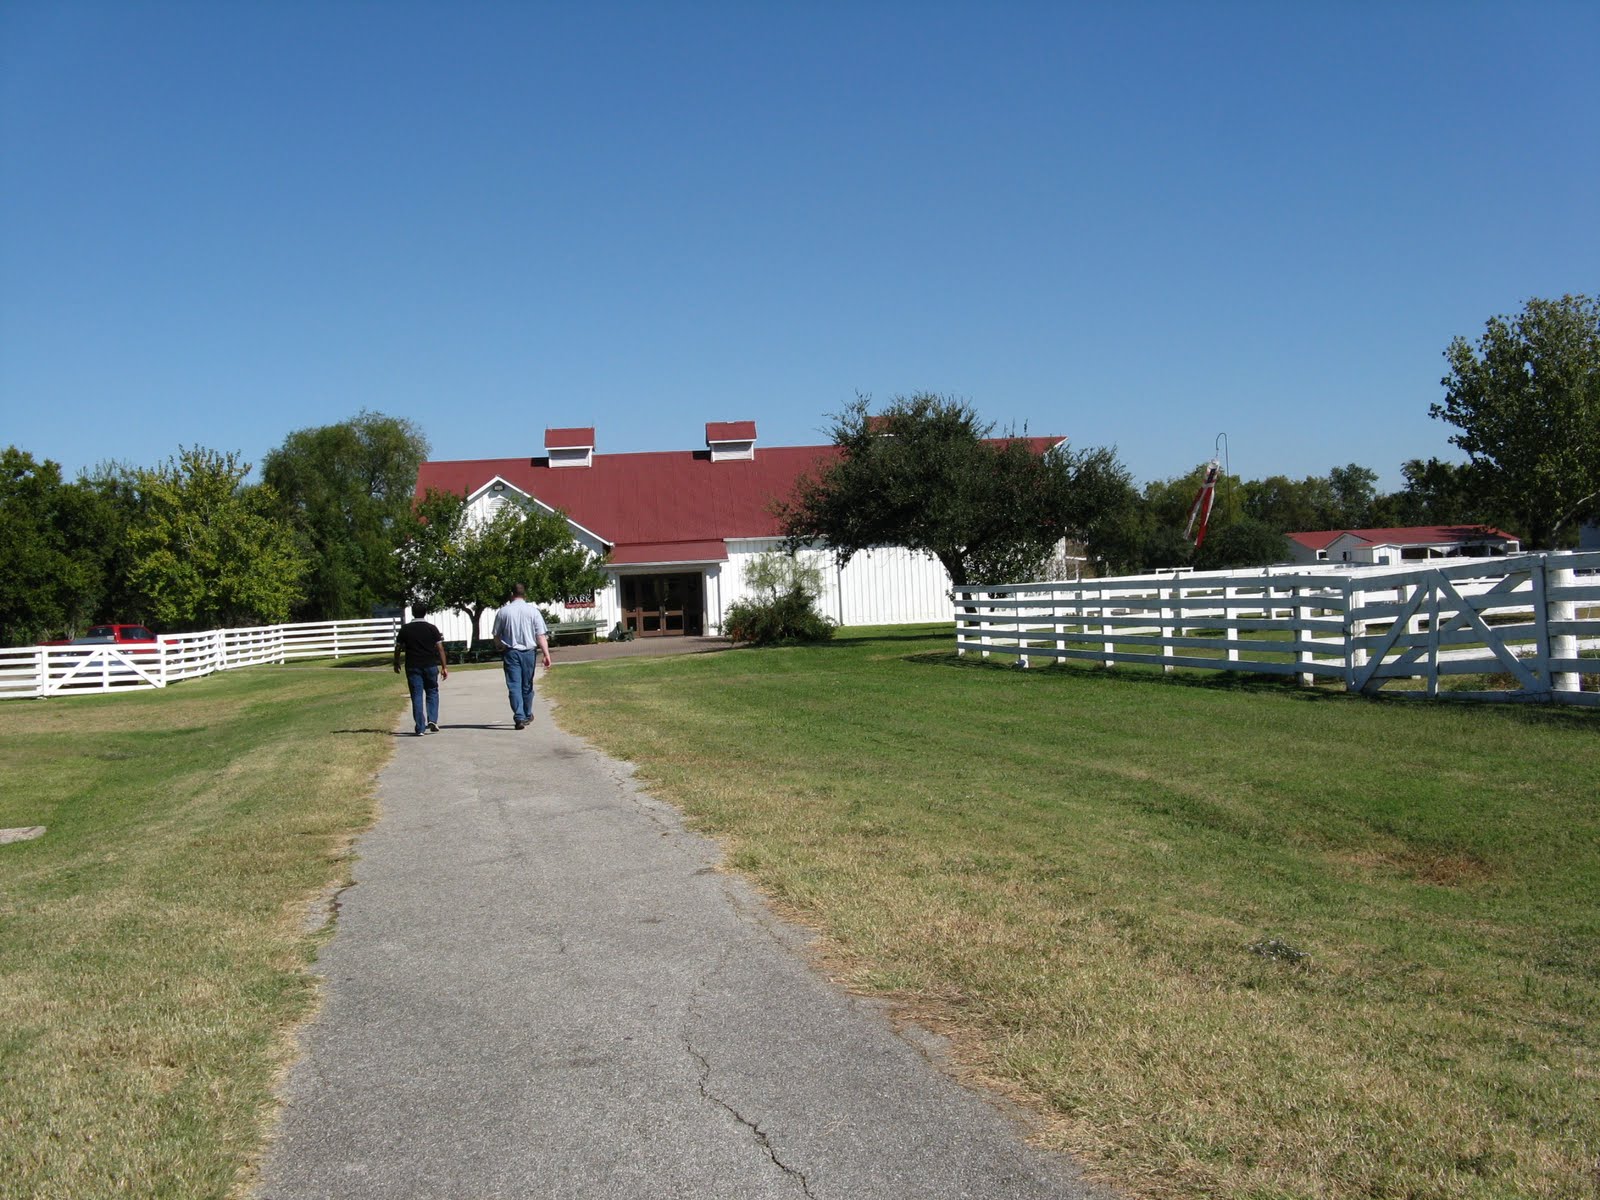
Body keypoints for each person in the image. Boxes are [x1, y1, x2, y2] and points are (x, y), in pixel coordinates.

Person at [491, 582, 552, 730]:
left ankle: (519, 715)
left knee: (514, 685)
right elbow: (540, 635)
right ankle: (527, 713)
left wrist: (500, 646)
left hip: (511, 652)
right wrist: (546, 654)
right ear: (524, 594)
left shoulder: (503, 612)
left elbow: (496, 634)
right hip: (529, 652)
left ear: (511, 594)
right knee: (527, 685)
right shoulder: (533, 611)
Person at [394, 601, 449, 736]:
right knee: (432, 691)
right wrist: (444, 666)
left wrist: (396, 662)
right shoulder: (432, 628)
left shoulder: (405, 629)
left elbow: (398, 647)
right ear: (425, 612)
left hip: (413, 665)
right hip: (430, 664)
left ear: (413, 612)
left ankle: (420, 727)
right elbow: (440, 648)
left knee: (416, 695)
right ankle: (432, 719)